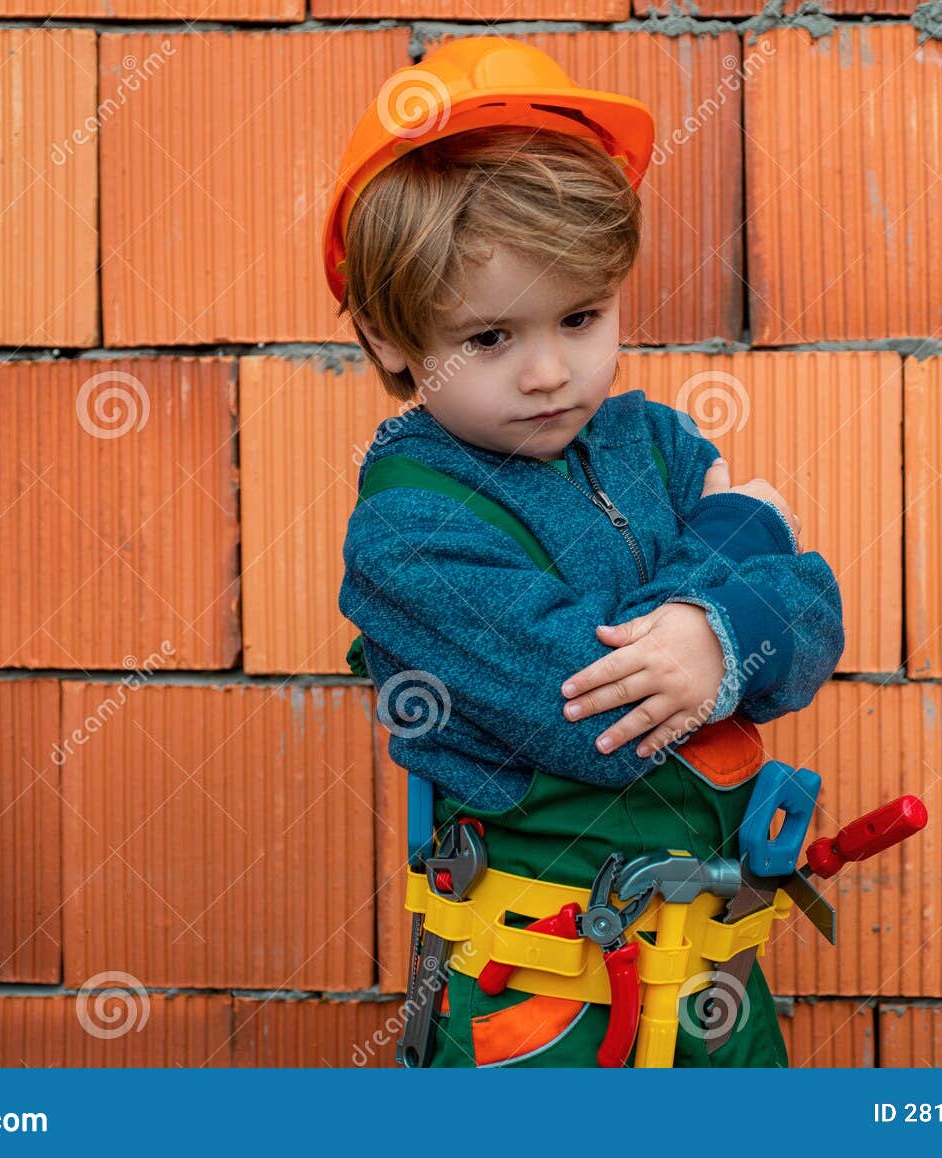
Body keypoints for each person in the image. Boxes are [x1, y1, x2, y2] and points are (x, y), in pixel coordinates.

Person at [329, 37, 846, 1067]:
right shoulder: (410, 530)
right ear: (390, 339)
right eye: (488, 339)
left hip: (711, 981)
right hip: (547, 1009)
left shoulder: (650, 441)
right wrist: (739, 544)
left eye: (581, 316)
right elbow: (596, 714)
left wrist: (719, 632)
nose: (549, 372)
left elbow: (815, 619)